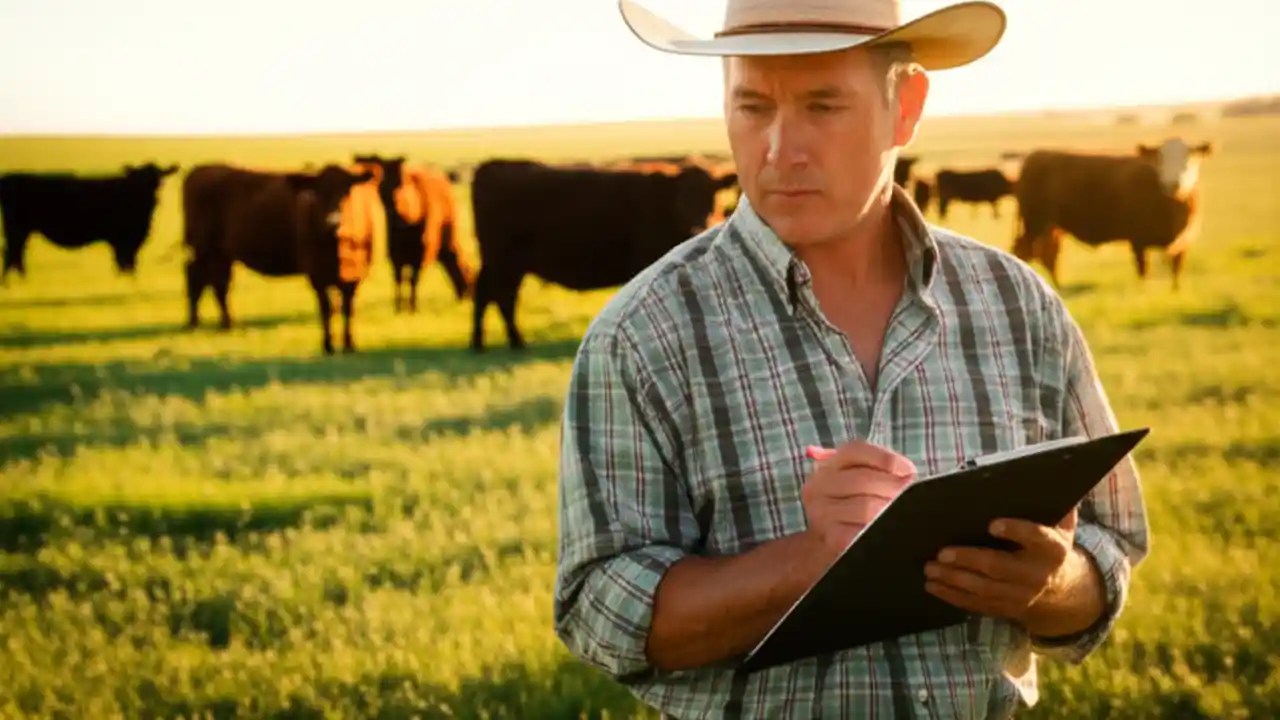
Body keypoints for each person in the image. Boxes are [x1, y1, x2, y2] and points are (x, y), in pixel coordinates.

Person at [554, 0, 1150, 717]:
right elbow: (597, 611)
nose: (780, 148)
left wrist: (1049, 586)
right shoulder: (644, 334)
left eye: (822, 105)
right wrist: (812, 560)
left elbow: (1110, 553)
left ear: (907, 108)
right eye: (751, 106)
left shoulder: (1018, 306)